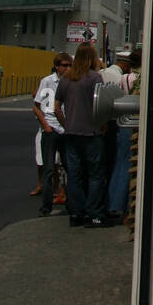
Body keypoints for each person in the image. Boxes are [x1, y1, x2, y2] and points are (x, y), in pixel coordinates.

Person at [52, 42, 111, 227]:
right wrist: (102, 126)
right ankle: (94, 214)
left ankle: (75, 213)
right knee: (95, 174)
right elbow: (102, 106)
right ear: (92, 58)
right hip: (92, 132)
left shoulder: (66, 78)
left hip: (71, 132)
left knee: (74, 174)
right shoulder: (95, 78)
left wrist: (66, 123)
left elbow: (56, 108)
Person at [33, 54, 71, 211]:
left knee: (69, 167)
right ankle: (46, 205)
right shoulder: (47, 81)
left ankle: (71, 202)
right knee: (49, 169)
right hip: (51, 129)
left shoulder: (71, 82)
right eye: (64, 65)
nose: (67, 68)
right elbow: (36, 105)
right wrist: (46, 126)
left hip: (66, 129)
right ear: (57, 66)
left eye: (70, 65)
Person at [108, 49, 141, 219]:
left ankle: (113, 203)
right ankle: (125, 206)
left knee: (120, 162)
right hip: (135, 121)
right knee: (132, 164)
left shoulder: (124, 78)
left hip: (123, 122)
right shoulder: (139, 78)